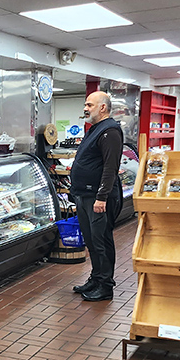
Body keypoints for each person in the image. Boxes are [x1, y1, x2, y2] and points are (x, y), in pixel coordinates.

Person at [69, 91, 124, 302]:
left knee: (101, 241)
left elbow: (110, 168)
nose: (85, 108)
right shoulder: (94, 129)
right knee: (91, 240)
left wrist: (102, 197)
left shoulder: (110, 131)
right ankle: (96, 278)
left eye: (89, 105)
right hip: (85, 195)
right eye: (85, 104)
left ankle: (106, 286)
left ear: (103, 107)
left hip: (98, 198)